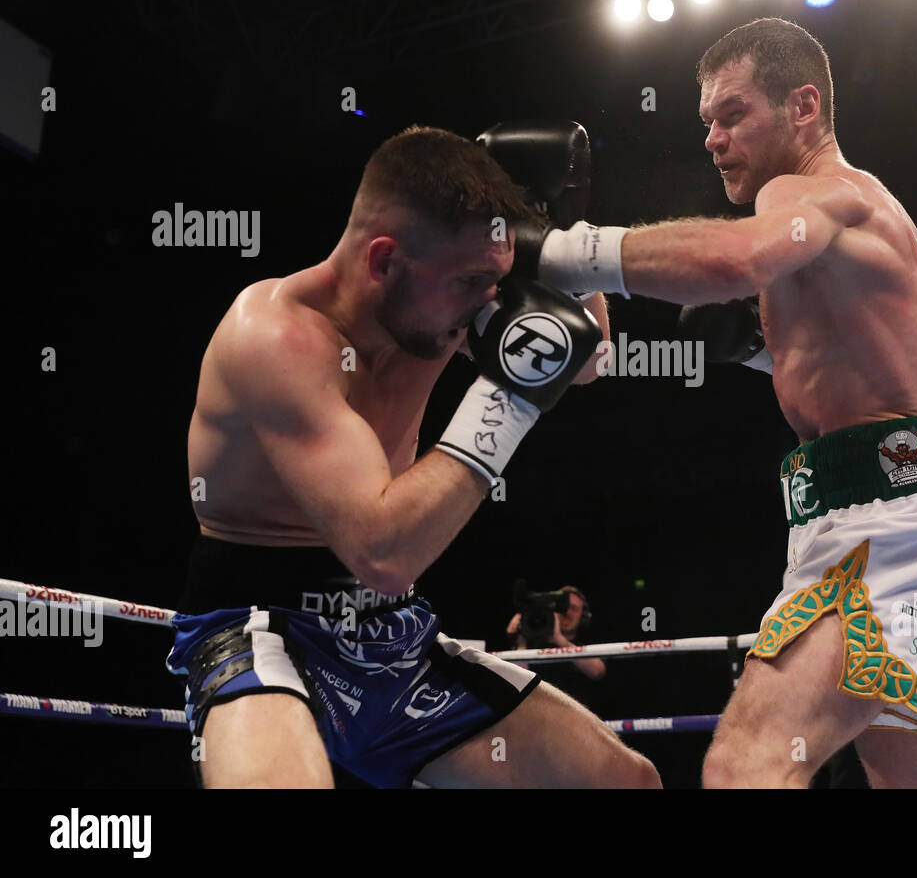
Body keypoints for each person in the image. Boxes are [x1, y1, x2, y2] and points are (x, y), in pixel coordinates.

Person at [508, 18, 917, 788]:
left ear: (803, 106)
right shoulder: (837, 226)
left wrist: (560, 250)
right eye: (706, 120)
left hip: (884, 526)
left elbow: (735, 257)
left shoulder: (814, 194)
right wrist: (748, 347)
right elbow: (865, 362)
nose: (713, 138)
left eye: (732, 114)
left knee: (746, 764)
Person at [167, 125, 660, 789]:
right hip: (257, 625)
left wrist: (563, 229)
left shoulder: (441, 304)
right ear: (383, 262)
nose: (492, 301)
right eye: (474, 280)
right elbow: (384, 553)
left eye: (500, 279)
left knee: (625, 780)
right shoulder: (274, 336)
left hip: (389, 633)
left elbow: (590, 356)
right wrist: (511, 395)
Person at [507, 586, 607, 711]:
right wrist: (521, 642)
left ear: (583, 616)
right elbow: (519, 682)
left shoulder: (586, 645)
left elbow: (597, 671)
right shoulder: (530, 646)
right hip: (535, 716)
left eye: (574, 609)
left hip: (573, 718)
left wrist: (559, 639)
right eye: (562, 606)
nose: (567, 612)